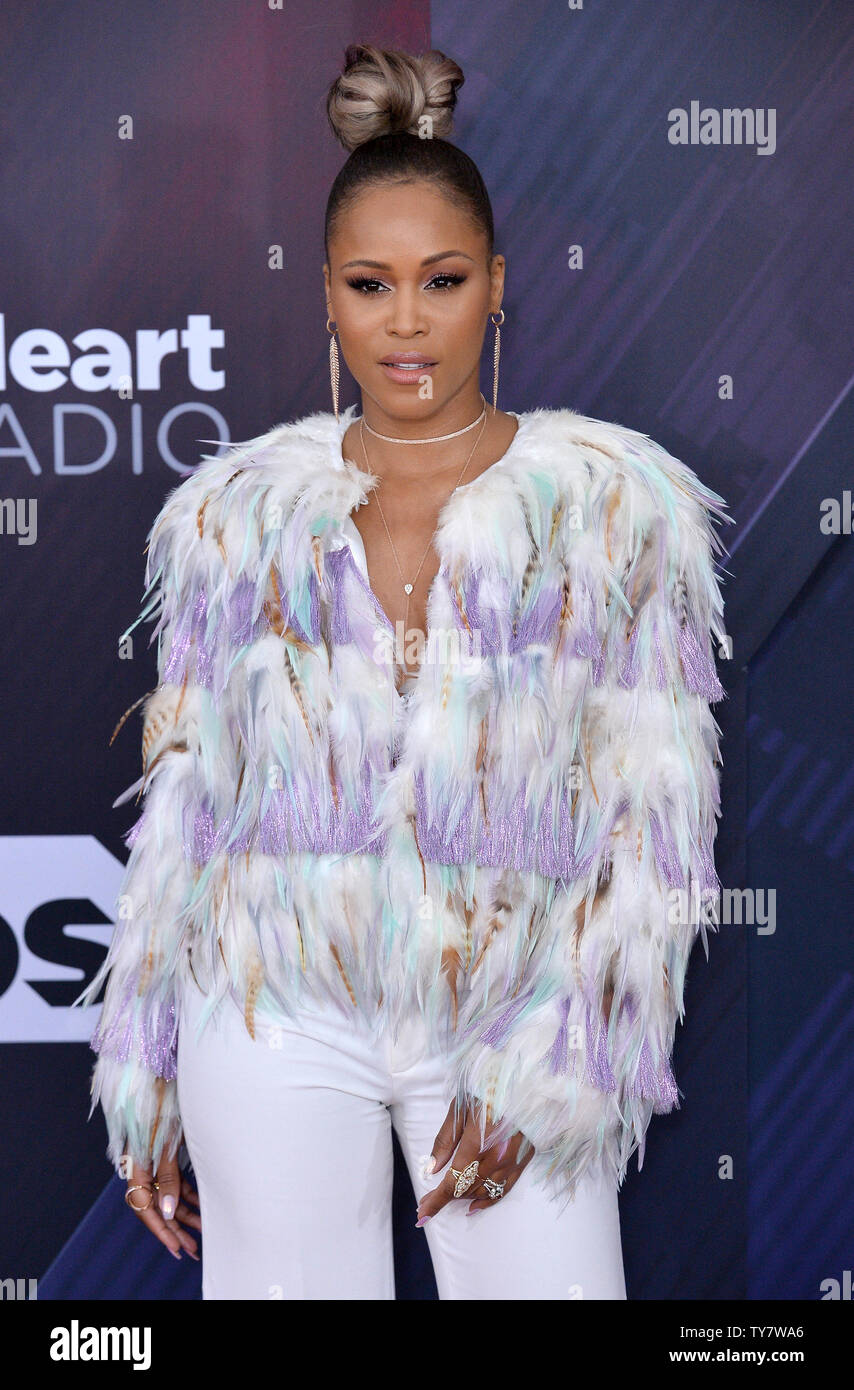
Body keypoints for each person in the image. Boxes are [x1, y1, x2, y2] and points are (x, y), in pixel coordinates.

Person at [75, 43, 731, 1300]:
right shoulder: (234, 513)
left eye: (442, 280)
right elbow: (186, 807)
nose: (408, 322)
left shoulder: (612, 504)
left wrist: (563, 1052)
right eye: (370, 285)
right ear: (326, 292)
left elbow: (655, 824)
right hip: (268, 1004)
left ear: (497, 284)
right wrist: (143, 1058)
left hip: (505, 1001)